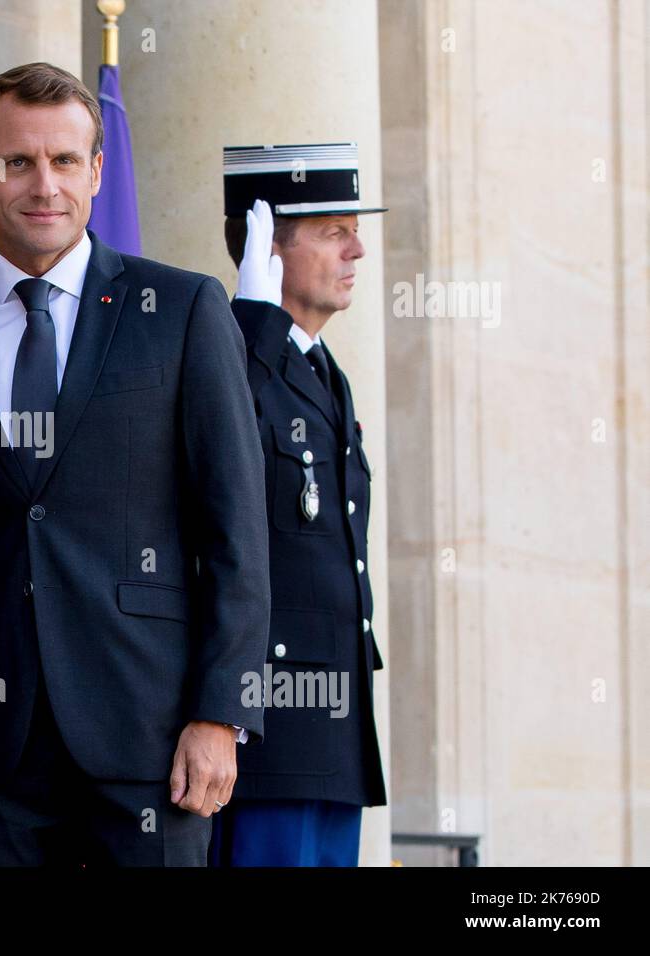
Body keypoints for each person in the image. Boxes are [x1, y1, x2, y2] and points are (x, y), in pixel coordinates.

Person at [0, 62, 270, 867]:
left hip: (150, 738)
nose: (42, 184)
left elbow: (236, 528)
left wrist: (221, 712)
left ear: (97, 172)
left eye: (64, 161)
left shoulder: (183, 312)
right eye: (15, 161)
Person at [211, 142, 388, 866]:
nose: (358, 248)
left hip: (328, 728)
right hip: (269, 729)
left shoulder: (320, 371)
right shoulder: (238, 355)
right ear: (269, 247)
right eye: (332, 229)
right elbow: (219, 462)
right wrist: (249, 320)